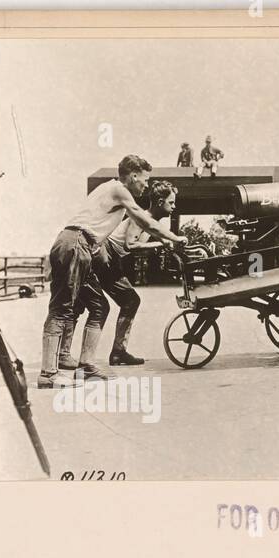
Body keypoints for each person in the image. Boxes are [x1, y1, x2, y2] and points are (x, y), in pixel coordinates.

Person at [38, 155, 186, 388]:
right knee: (62, 308)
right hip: (77, 243)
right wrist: (174, 238)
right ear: (133, 175)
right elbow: (144, 221)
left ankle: (86, 365)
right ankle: (48, 375)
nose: (145, 186)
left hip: (81, 244)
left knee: (99, 306)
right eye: (144, 180)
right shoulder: (119, 189)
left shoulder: (107, 188)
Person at [61, 179, 178, 368]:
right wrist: (161, 243)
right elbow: (130, 244)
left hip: (111, 258)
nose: (174, 206)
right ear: (159, 203)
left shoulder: (151, 221)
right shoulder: (140, 219)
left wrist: (165, 244)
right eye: (171, 202)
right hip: (105, 255)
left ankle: (117, 352)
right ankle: (79, 354)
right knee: (95, 304)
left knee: (128, 301)